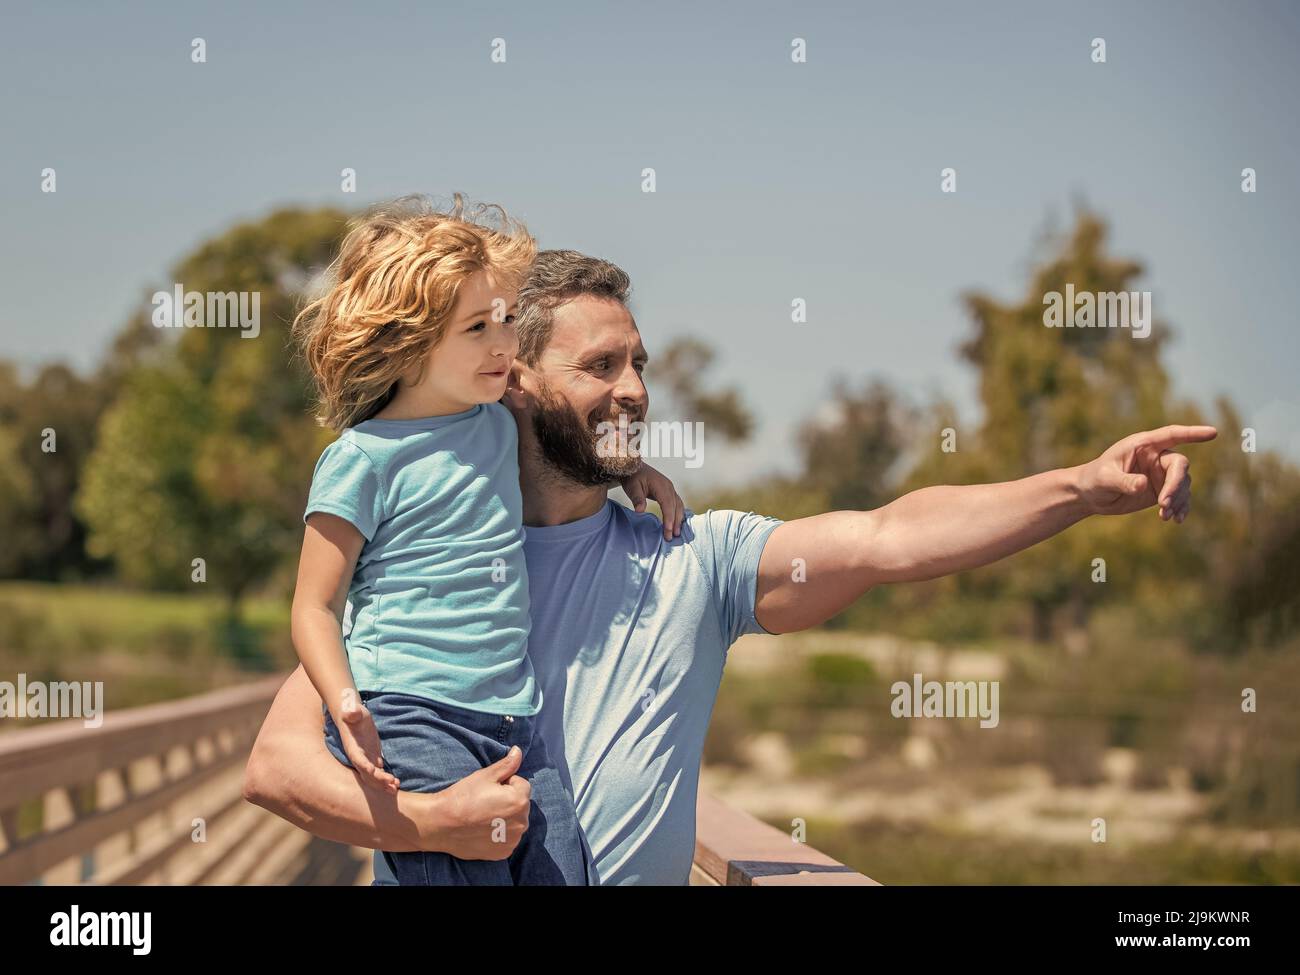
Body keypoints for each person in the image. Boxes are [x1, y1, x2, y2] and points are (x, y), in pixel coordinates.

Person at [247, 246, 1213, 885]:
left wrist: (1079, 490)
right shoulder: (425, 572)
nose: (634, 390)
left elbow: (888, 535)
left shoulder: (691, 554)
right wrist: (437, 822)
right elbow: (278, 766)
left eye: (640, 364)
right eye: (599, 368)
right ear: (511, 381)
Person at [287, 199, 683, 885]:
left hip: (509, 716)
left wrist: (630, 466)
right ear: (407, 342)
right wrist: (344, 698)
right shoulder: (362, 459)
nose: (504, 344)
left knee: (563, 868)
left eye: (505, 322)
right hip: (411, 710)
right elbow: (313, 606)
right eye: (478, 328)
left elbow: (572, 432)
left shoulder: (496, 420)